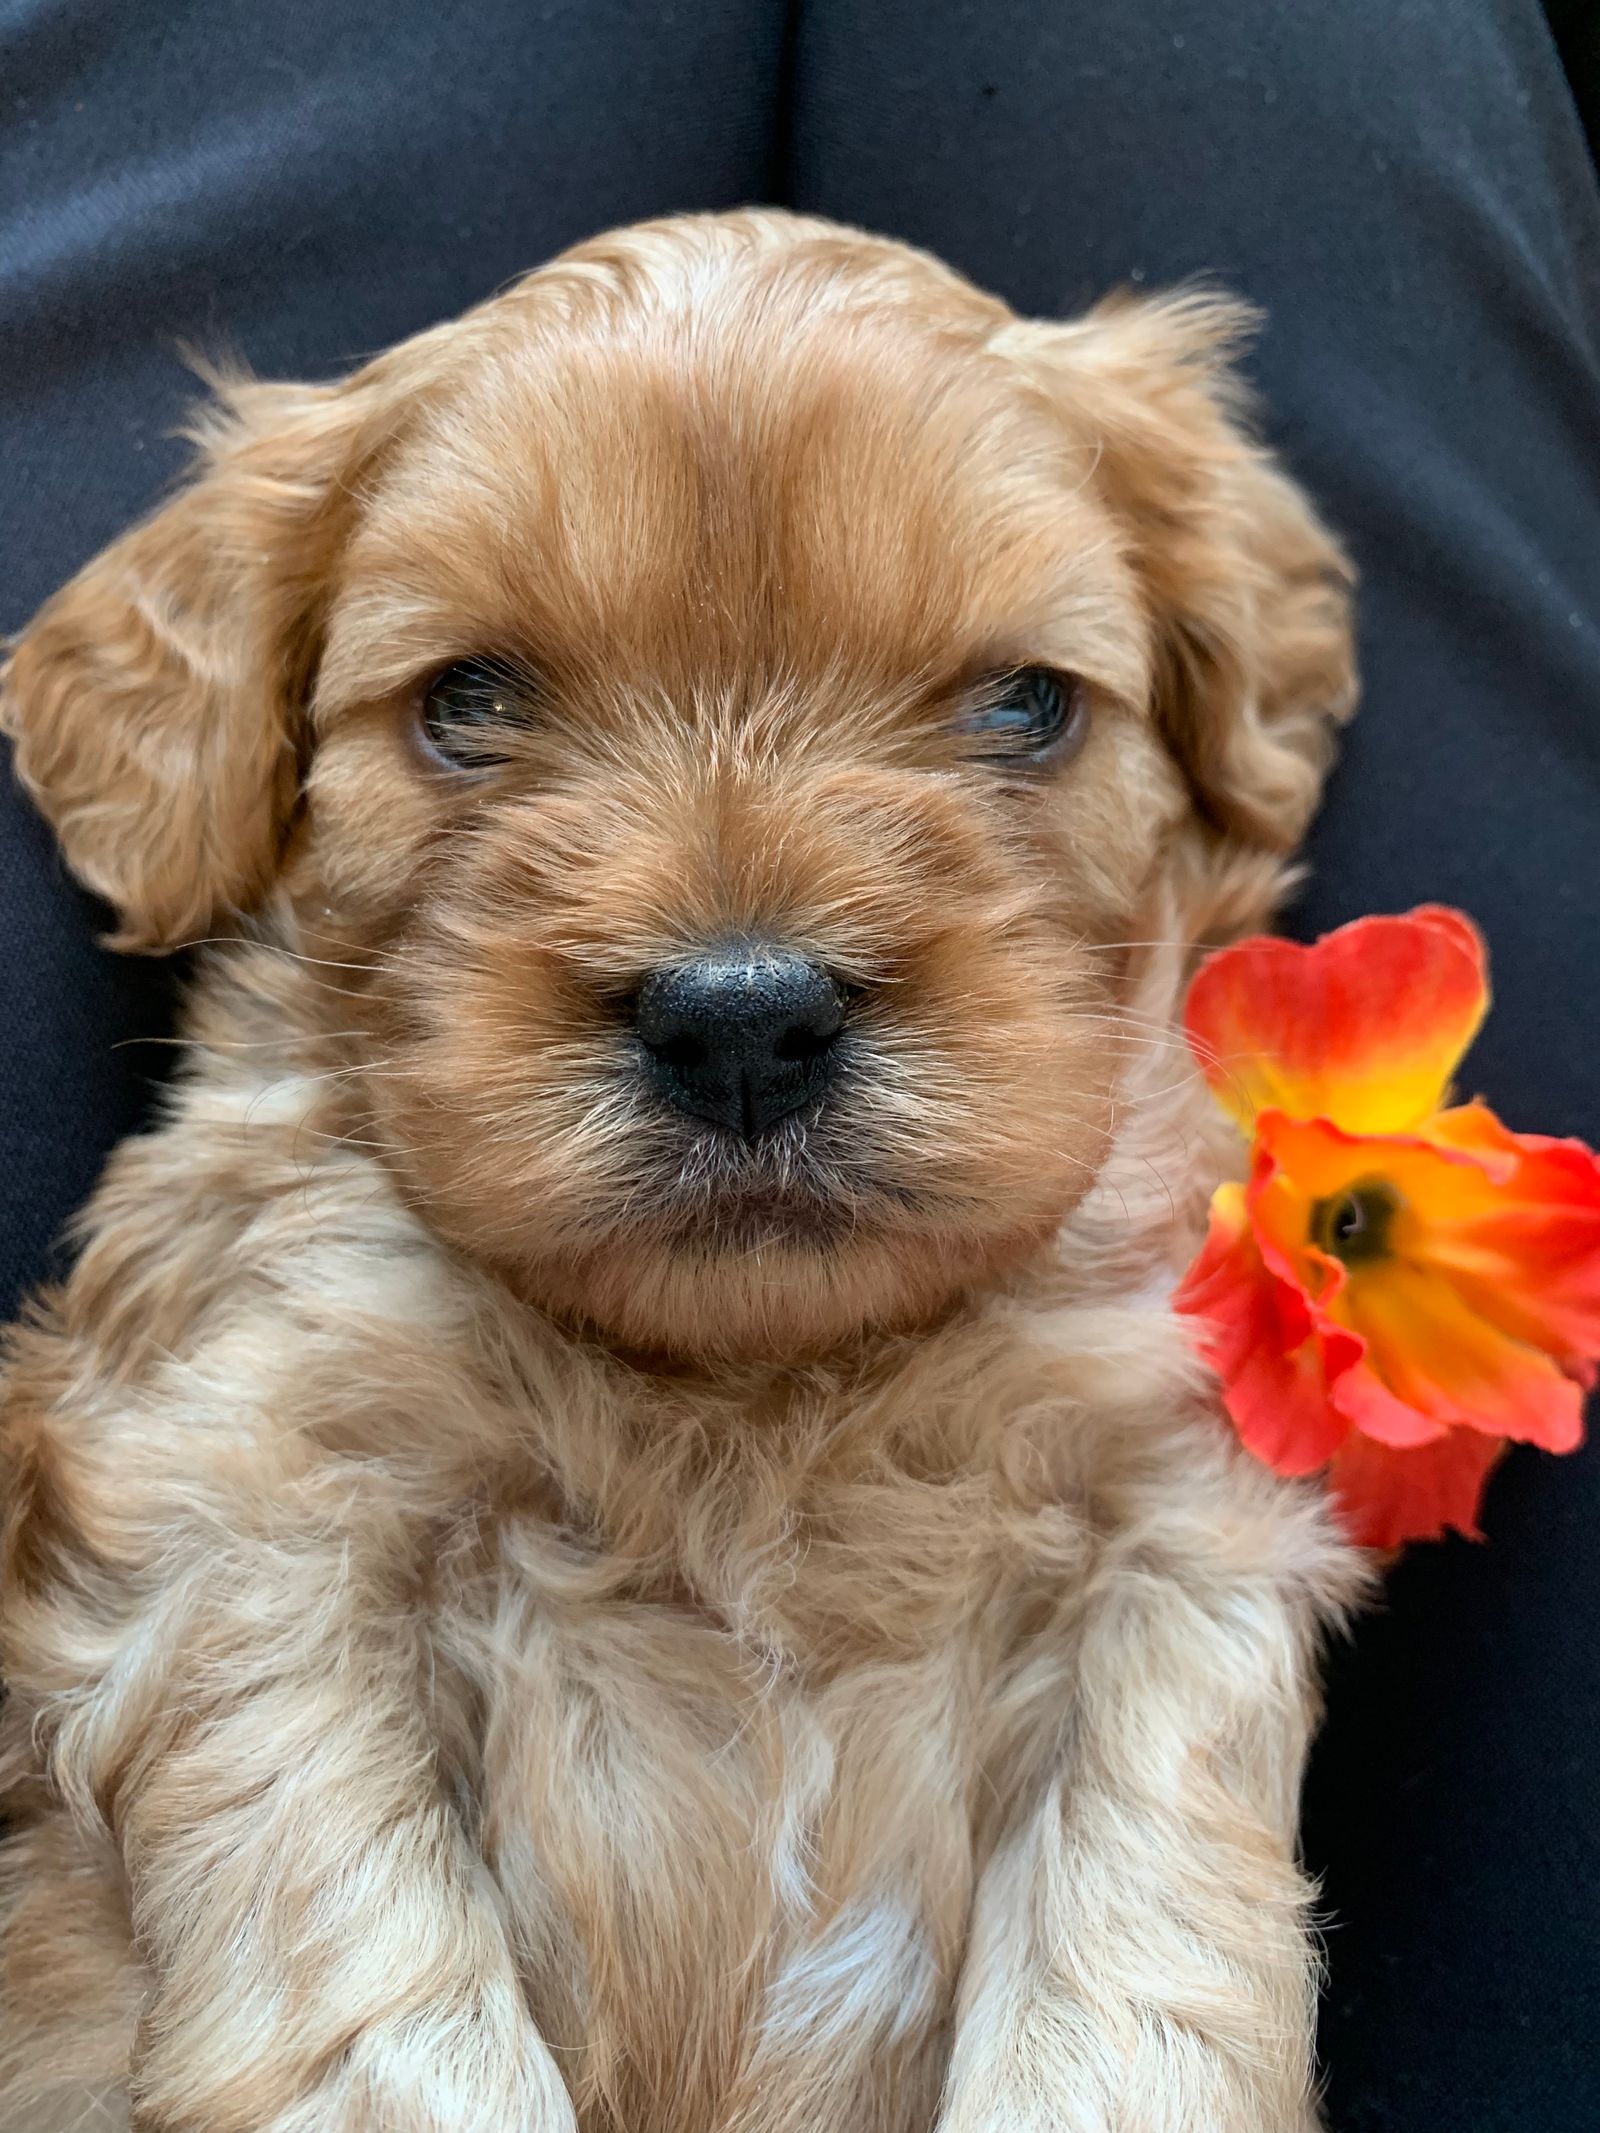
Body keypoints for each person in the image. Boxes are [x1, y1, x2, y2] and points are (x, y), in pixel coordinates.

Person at [3, 5, 1596, 2124]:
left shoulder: (1142, 1324)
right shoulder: (296, 1298)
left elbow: (1168, 1809)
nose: (738, 969)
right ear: (258, 726)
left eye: (1014, 711)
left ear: (1203, 708)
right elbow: (206, 1596)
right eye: (472, 706)